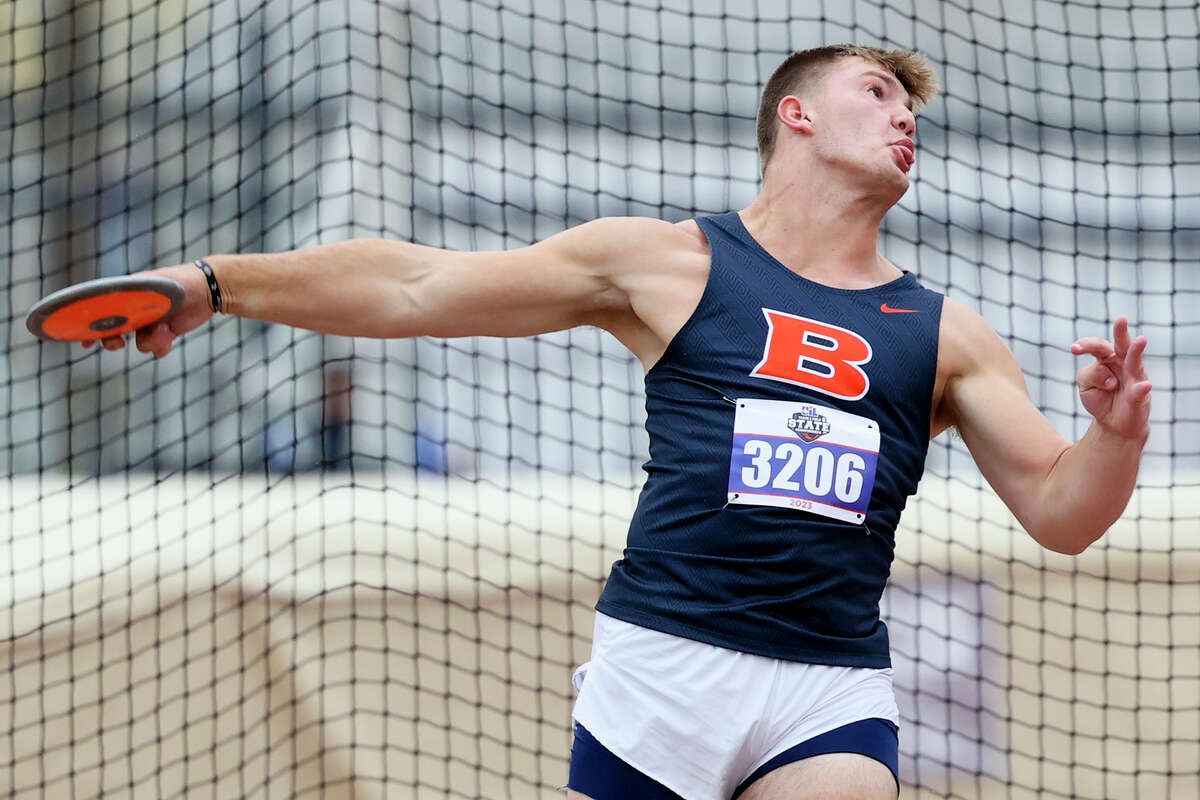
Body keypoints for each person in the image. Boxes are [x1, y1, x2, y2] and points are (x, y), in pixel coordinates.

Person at [84, 44, 1152, 800]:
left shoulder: (945, 330)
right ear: (798, 113)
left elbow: (1063, 514)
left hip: (831, 680)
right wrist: (217, 282)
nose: (904, 116)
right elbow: (414, 285)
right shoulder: (667, 260)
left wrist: (1115, 434)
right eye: (877, 92)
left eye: (910, 107)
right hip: (666, 658)